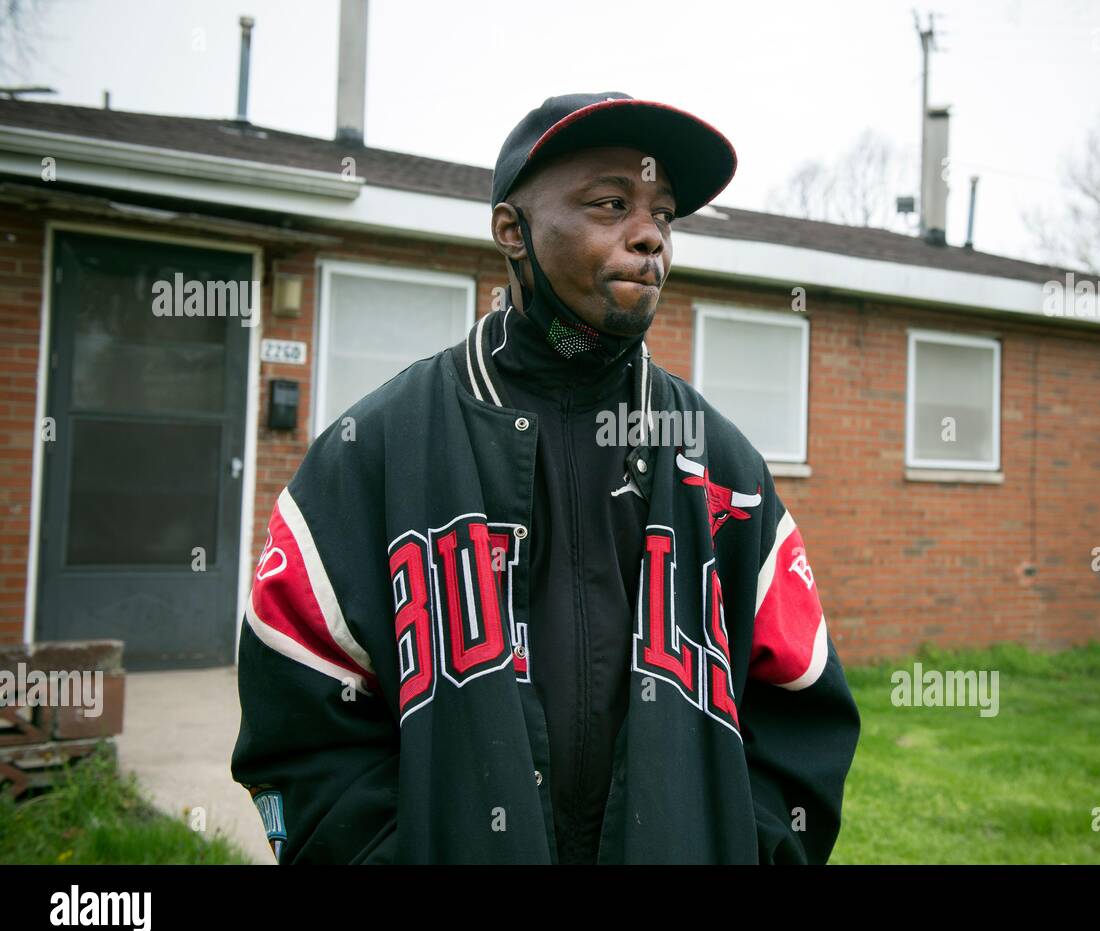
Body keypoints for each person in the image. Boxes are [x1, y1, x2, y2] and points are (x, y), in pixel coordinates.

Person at [231, 92, 861, 864]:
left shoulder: (723, 467)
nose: (649, 238)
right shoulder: (378, 450)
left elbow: (803, 709)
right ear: (512, 231)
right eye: (610, 203)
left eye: (663, 214)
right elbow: (299, 715)